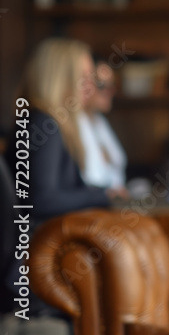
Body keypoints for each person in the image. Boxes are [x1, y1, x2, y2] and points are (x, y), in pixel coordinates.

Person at [2, 38, 118, 315]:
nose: (91, 87)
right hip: (32, 272)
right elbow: (40, 199)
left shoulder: (37, 120)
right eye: (84, 78)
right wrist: (101, 195)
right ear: (60, 78)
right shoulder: (45, 124)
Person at [77, 59, 128, 189]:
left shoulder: (99, 121)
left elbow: (117, 167)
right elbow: (93, 177)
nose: (109, 91)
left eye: (112, 84)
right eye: (100, 85)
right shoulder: (73, 123)